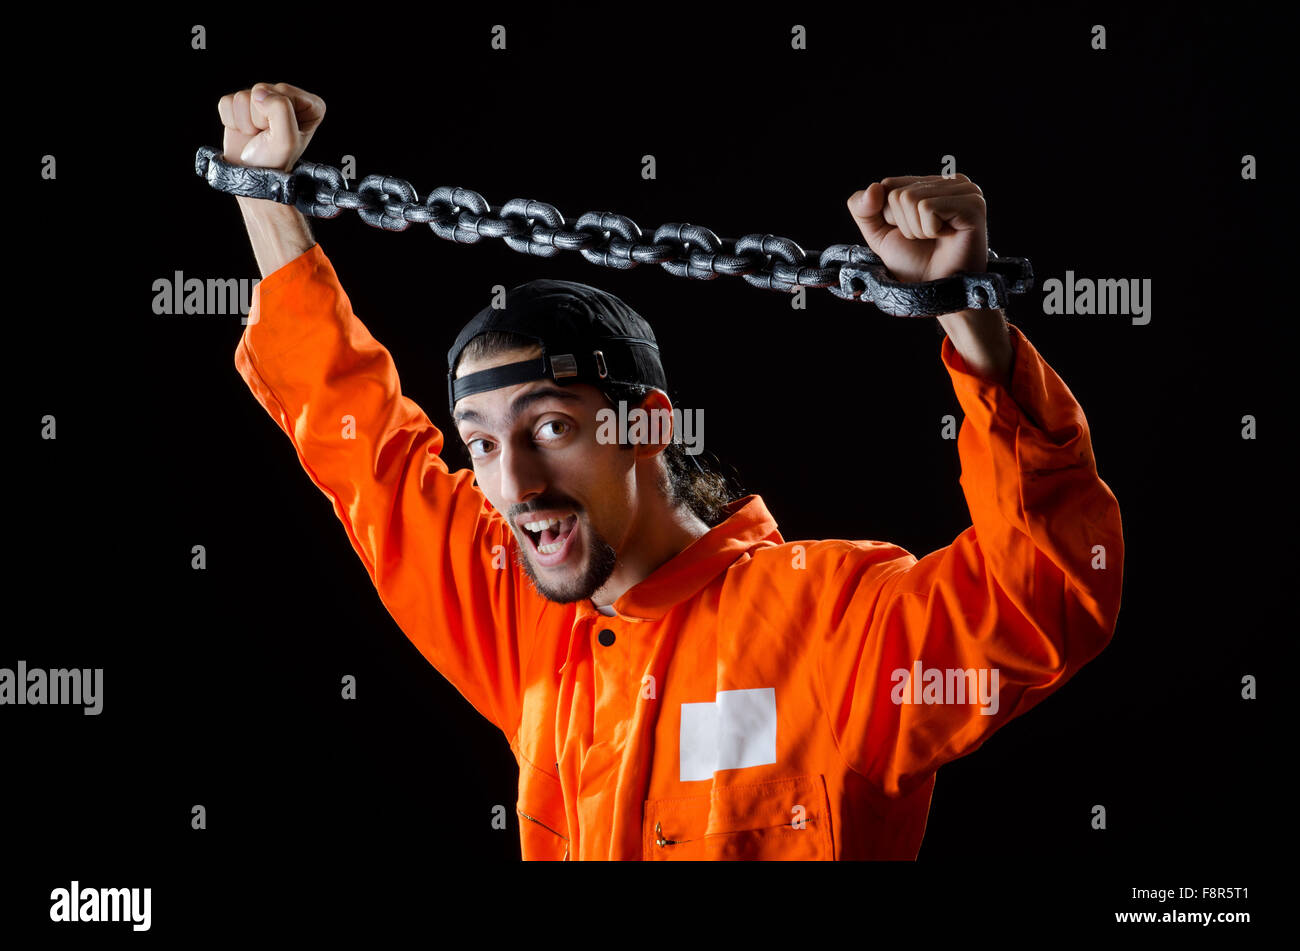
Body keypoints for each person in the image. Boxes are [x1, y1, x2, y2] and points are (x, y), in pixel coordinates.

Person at [220, 82, 1125, 860]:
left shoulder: (829, 626)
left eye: (550, 426)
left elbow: (1043, 594)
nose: (515, 482)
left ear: (647, 427)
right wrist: (264, 194)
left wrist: (970, 320)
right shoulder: (521, 617)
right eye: (482, 442)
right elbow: (361, 447)